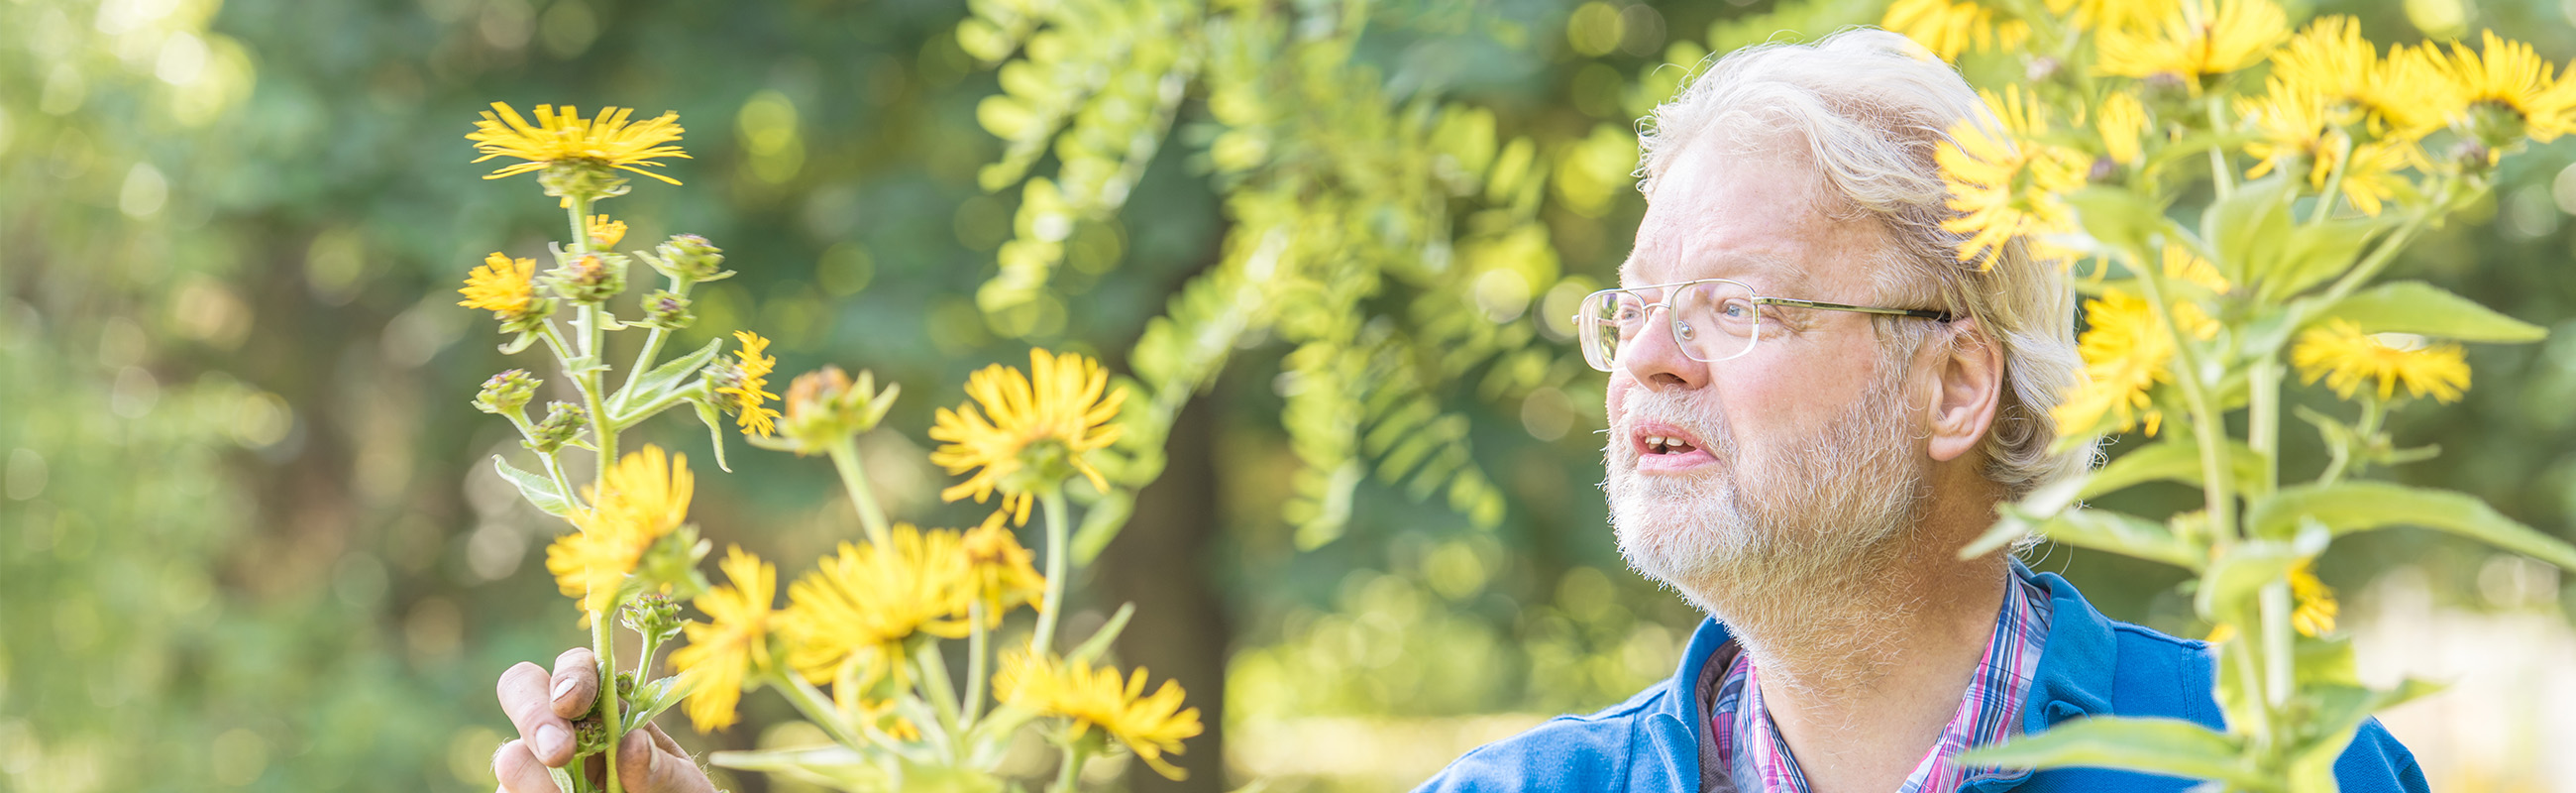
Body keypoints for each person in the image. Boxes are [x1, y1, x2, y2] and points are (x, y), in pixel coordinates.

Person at [1414, 29, 2424, 793]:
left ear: (1951, 387)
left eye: (1732, 305)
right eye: (1634, 303)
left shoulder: (2285, 753)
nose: (1643, 357)